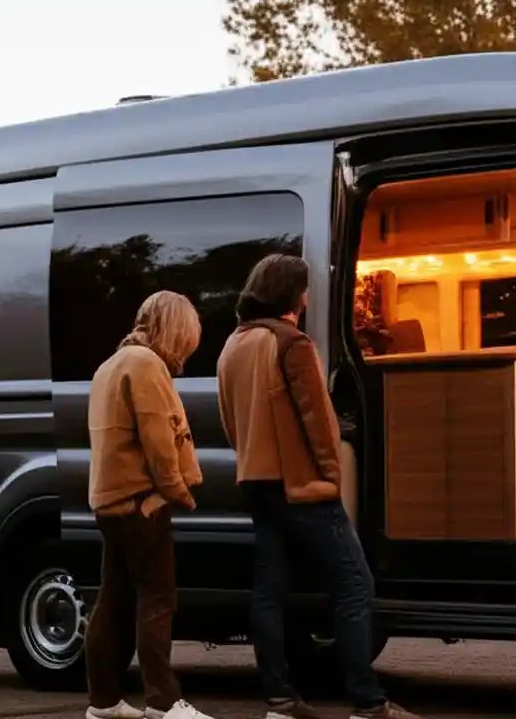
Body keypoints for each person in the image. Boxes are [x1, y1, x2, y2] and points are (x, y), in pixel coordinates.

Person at [217, 255, 422, 719]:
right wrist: (331, 477)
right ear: (291, 294)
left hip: (256, 481)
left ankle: (279, 699)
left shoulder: (234, 345)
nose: (308, 298)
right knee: (354, 584)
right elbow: (318, 420)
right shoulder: (292, 343)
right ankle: (368, 702)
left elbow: (231, 421)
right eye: (304, 290)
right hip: (301, 484)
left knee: (269, 592)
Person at [83, 290, 216, 719]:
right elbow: (159, 439)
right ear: (176, 332)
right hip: (144, 502)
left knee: (114, 600)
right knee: (158, 599)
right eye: (187, 340)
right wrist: (178, 490)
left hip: (110, 501)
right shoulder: (147, 365)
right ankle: (163, 702)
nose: (186, 353)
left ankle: (103, 702)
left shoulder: (110, 365)